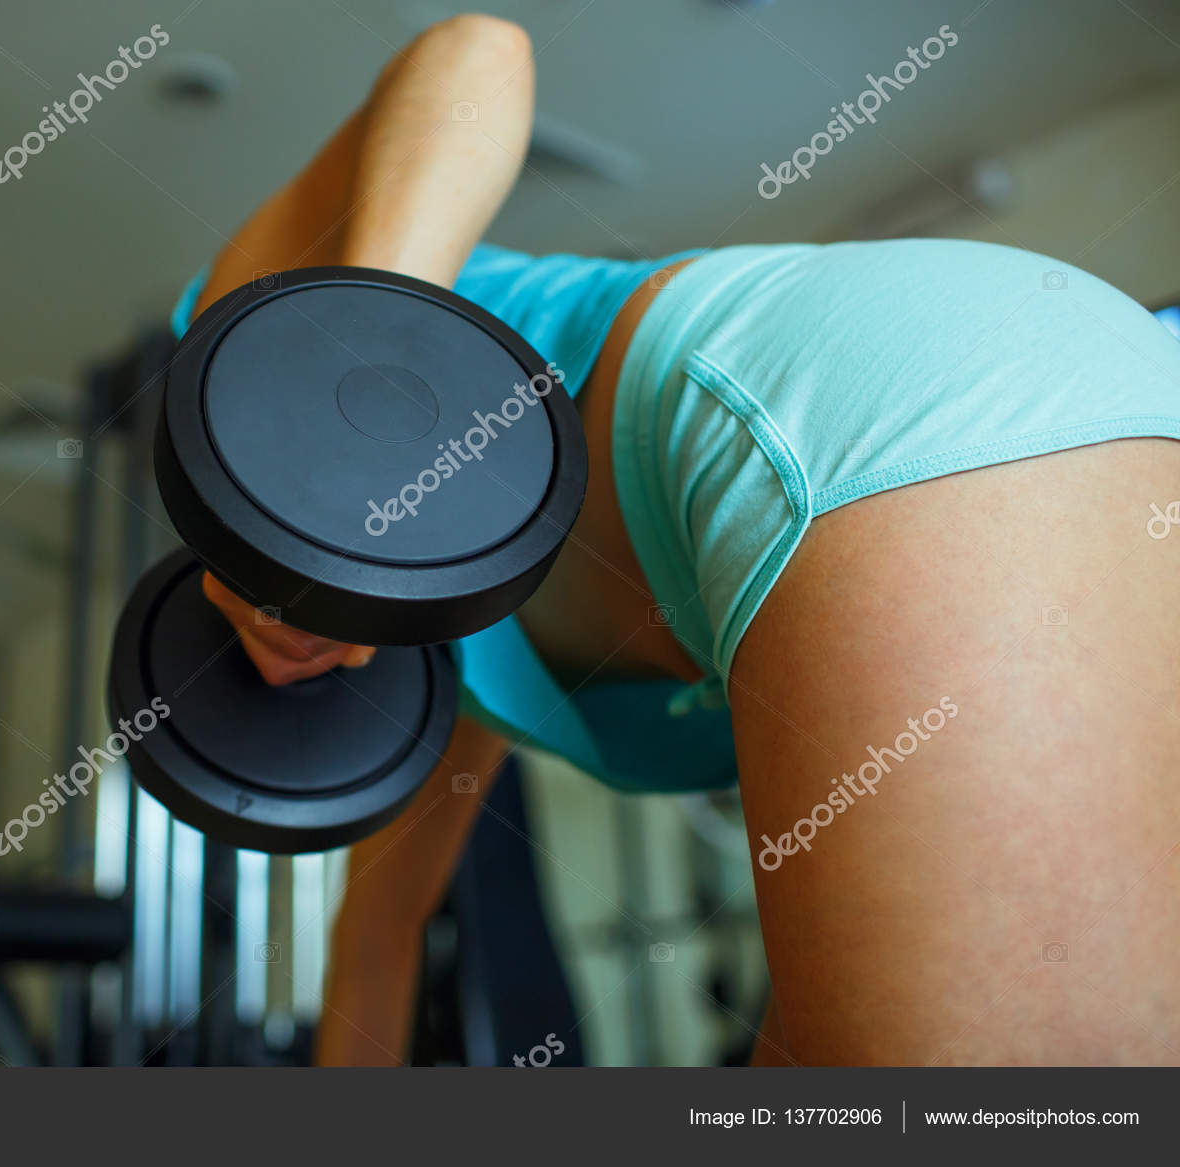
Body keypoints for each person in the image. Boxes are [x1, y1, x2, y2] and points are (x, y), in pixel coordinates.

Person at [170, 14, 1180, 1066]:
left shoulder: (243, 352)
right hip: (1099, 409)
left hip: (889, 398)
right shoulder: (455, 687)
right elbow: (371, 946)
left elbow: (476, 49)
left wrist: (355, 419)